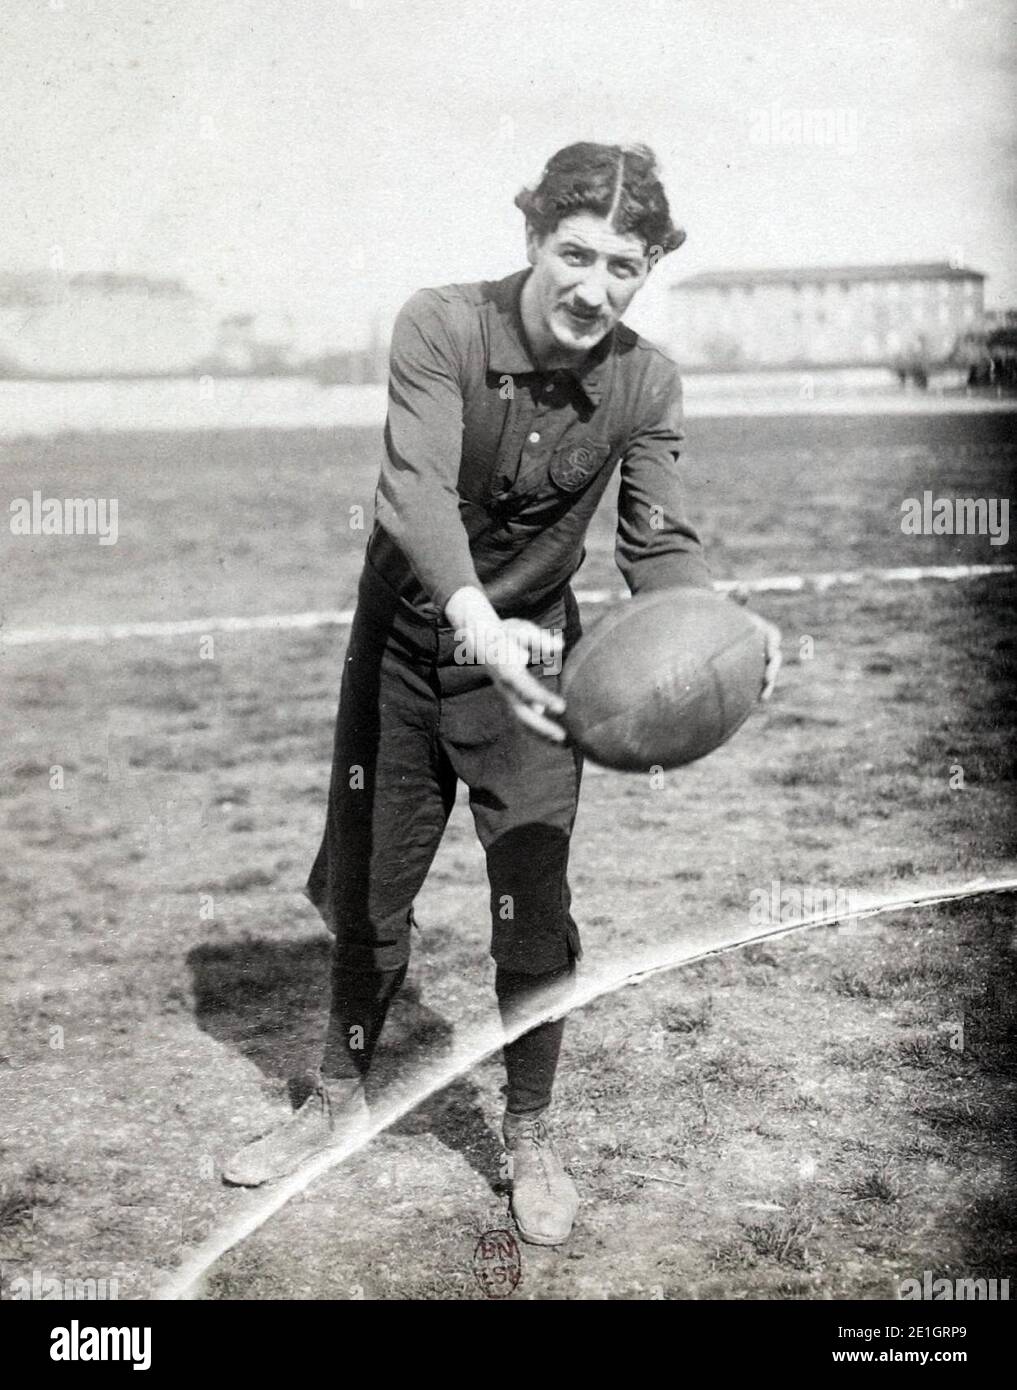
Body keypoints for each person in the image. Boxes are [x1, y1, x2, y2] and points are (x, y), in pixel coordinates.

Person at [223, 142, 781, 1246]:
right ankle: (334, 1097)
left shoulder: (645, 380)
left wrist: (717, 628)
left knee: (533, 899)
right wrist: (470, 612)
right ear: (532, 238)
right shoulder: (438, 323)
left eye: (625, 265)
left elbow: (659, 545)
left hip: (532, 674)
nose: (594, 286)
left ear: (648, 269)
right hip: (399, 648)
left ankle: (530, 1132)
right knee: (369, 898)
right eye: (575, 254)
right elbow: (415, 488)